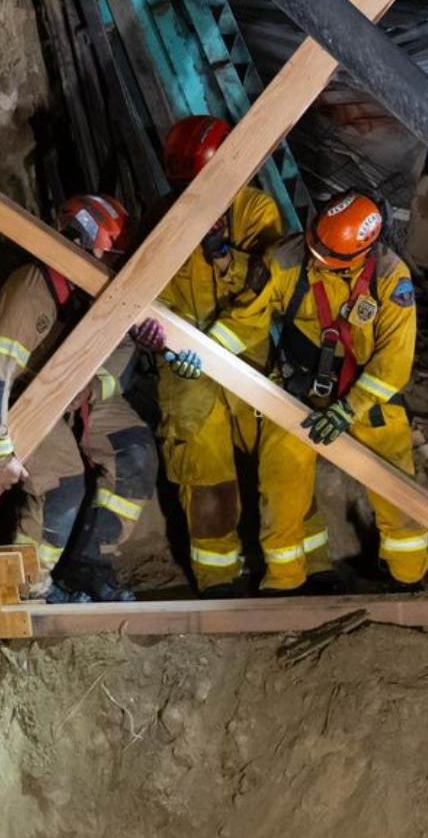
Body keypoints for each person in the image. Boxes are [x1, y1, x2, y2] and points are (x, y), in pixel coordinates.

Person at [0, 193, 204, 603]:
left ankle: (89, 566)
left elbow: (119, 358)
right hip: (25, 400)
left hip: (76, 393)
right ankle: (28, 590)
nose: (113, 267)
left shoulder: (95, 292)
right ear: (76, 244)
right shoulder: (32, 292)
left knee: (134, 452)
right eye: (107, 256)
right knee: (62, 484)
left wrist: (94, 386)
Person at [206, 191, 428, 592]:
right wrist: (204, 352)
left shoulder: (389, 278)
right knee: (281, 481)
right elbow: (246, 319)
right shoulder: (287, 257)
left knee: (395, 487)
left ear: (360, 254)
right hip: (300, 388)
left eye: (326, 256)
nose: (315, 259)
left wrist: (349, 408)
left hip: (366, 394)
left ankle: (408, 576)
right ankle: (285, 580)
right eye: (314, 246)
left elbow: (394, 362)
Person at [155, 116, 286, 595]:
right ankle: (218, 579)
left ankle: (303, 569)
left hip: (247, 354)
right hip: (187, 365)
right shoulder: (164, 217)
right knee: (204, 471)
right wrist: (165, 338)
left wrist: (226, 257)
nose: (193, 195)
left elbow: (265, 288)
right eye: (185, 186)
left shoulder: (254, 211)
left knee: (280, 461)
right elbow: (154, 294)